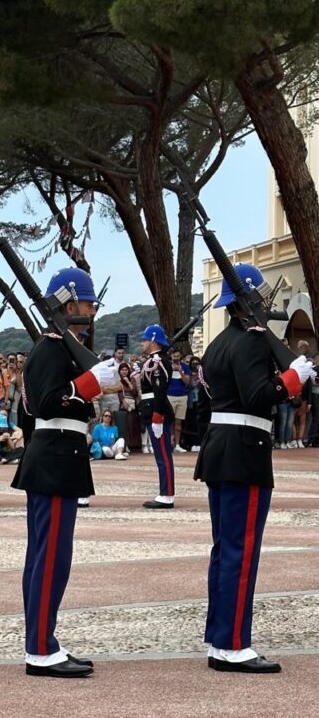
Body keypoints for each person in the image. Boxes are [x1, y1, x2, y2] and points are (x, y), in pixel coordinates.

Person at [195, 262, 315, 673]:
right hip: (244, 451)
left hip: (223, 449)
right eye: (261, 295)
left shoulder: (220, 343)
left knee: (225, 549)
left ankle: (221, 639)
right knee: (240, 551)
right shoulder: (251, 341)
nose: (267, 301)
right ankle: (232, 645)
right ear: (248, 300)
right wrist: (293, 379)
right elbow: (257, 395)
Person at [11, 267, 113, 678]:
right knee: (50, 558)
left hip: (58, 456)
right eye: (87, 303)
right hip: (53, 457)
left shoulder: (61, 348)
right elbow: (47, 403)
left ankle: (43, 640)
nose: (92, 311)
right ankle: (40, 648)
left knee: (50, 557)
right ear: (69, 304)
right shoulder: (51, 349)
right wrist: (88, 384)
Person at [139, 324, 176, 509]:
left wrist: (157, 416)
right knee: (161, 455)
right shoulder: (154, 360)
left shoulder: (158, 362)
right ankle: (165, 491)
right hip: (151, 409)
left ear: (153, 340)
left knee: (163, 456)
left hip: (156, 410)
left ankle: (167, 494)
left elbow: (159, 391)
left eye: (145, 339)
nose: (143, 343)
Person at [167, 348, 191, 451]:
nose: (176, 358)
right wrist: (171, 370)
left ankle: (177, 445)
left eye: (177, 356)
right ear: (171, 356)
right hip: (170, 396)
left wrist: (180, 371)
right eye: (174, 356)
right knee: (169, 422)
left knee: (178, 422)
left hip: (182, 396)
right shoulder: (167, 366)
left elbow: (187, 382)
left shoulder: (185, 367)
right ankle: (169, 444)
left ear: (180, 356)